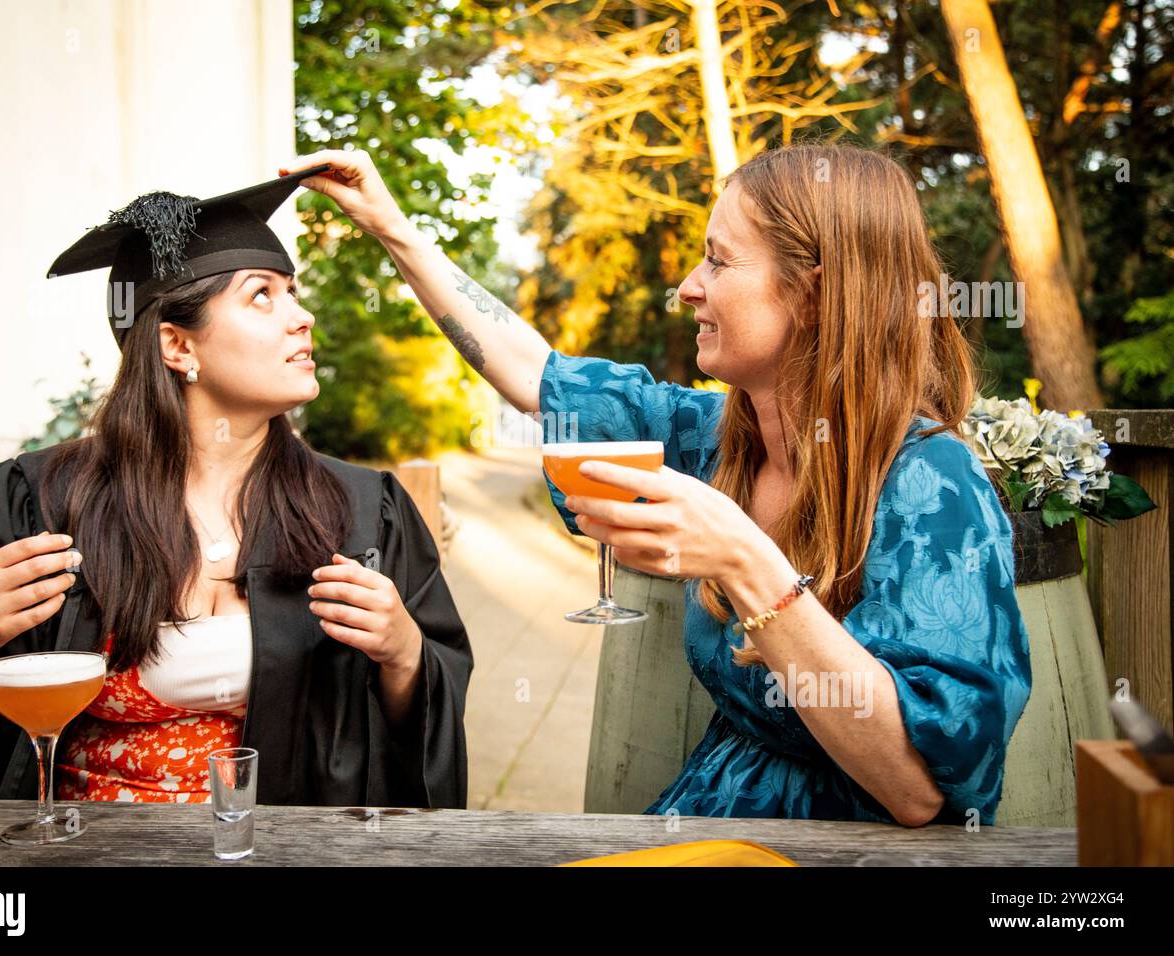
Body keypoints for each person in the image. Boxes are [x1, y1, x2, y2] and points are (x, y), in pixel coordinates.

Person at [284, 143, 1032, 827]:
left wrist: (746, 562)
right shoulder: (710, 439)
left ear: (813, 293)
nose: (687, 287)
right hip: (717, 808)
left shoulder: (933, 483)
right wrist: (391, 226)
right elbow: (532, 372)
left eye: (718, 261)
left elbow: (917, 789)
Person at [0, 171, 472, 807]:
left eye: (293, 292)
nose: (304, 316)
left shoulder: (359, 512)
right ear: (178, 344)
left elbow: (417, 736)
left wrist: (406, 653)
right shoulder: (44, 501)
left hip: (279, 853)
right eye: (262, 297)